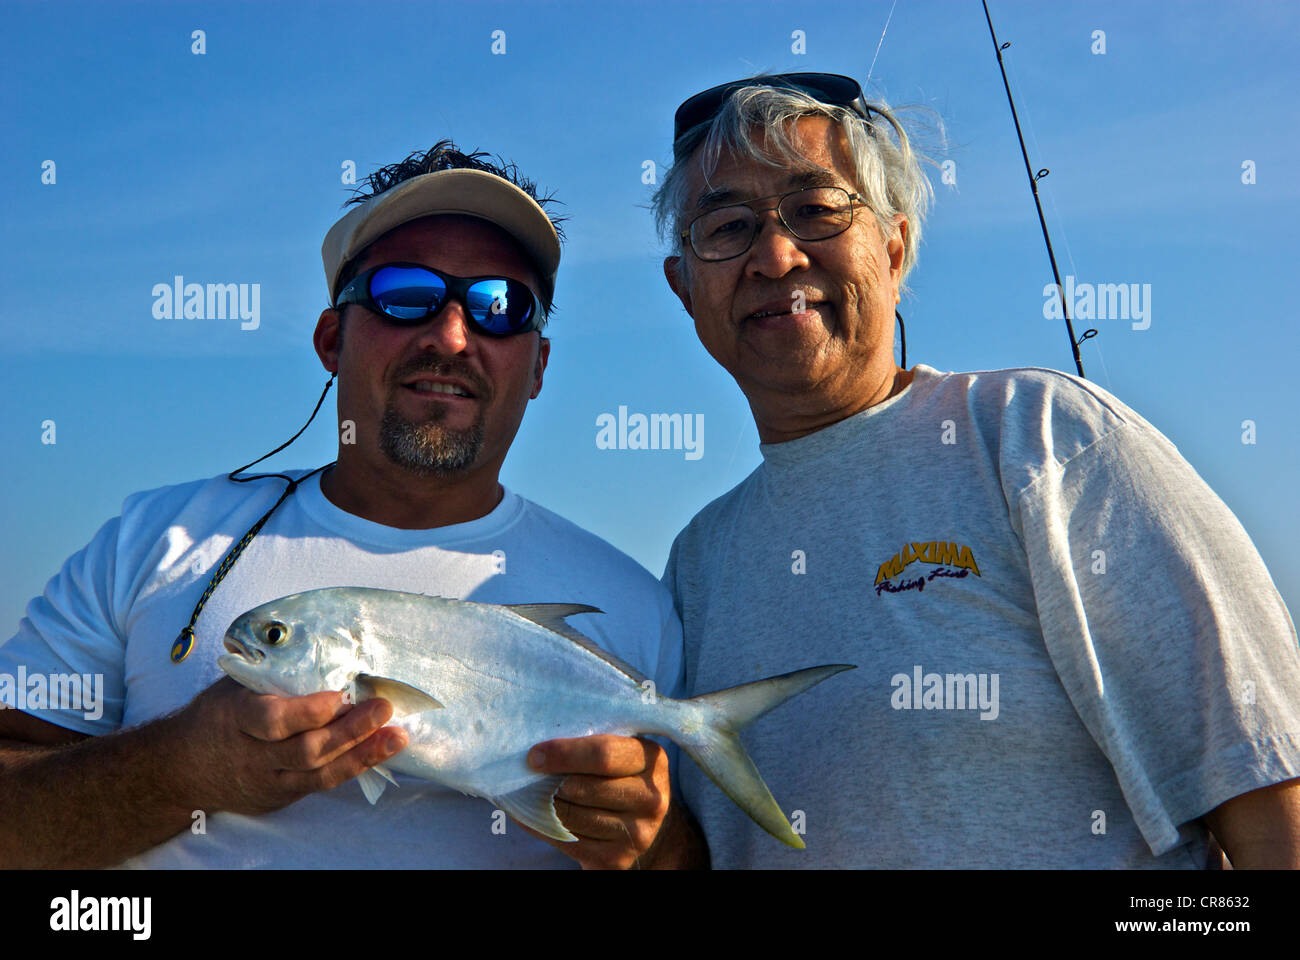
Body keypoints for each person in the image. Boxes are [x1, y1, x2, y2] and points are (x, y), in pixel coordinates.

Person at [652, 73, 1300, 868]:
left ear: (893, 248)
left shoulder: (1044, 437)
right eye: (726, 227)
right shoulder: (694, 564)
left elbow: (1267, 791)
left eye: (816, 210)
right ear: (684, 288)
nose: (775, 256)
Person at [0, 141, 704, 869]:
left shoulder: (635, 608)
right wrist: (185, 768)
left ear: (539, 367)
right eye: (406, 293)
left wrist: (655, 851)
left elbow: (689, 860)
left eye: (501, 305)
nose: (452, 336)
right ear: (332, 339)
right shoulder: (154, 543)